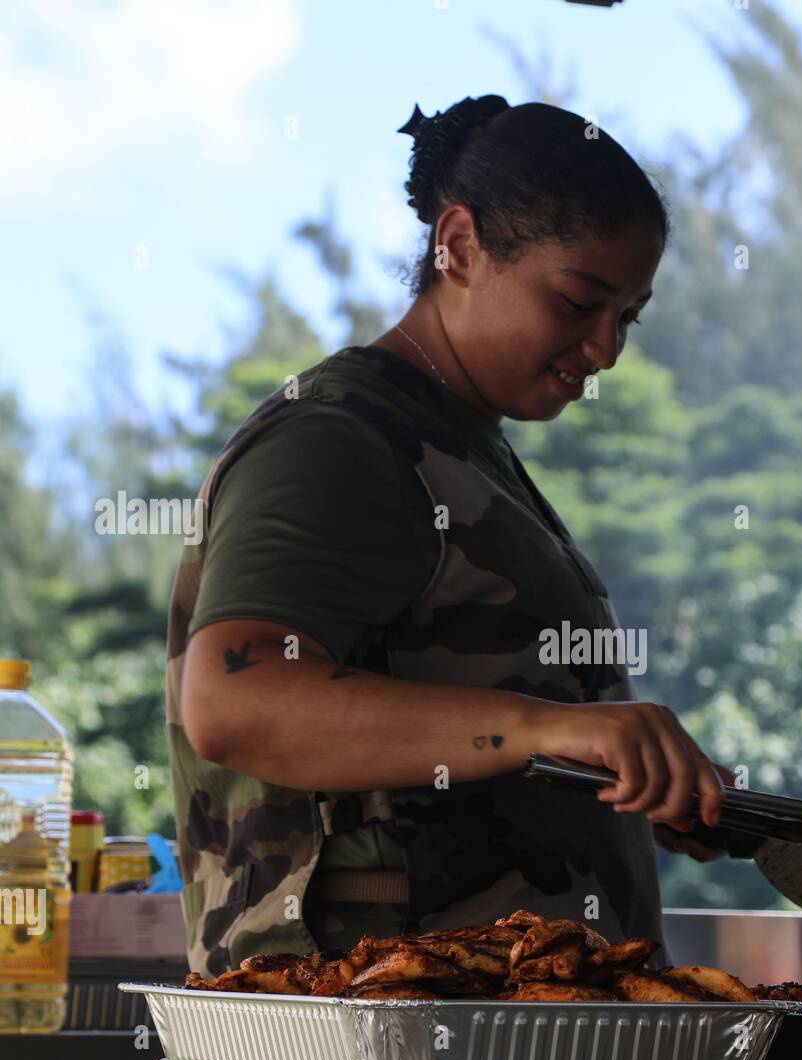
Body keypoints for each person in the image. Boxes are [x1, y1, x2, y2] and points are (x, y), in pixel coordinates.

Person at [166, 94, 733, 979]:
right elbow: (235, 701)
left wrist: (618, 775)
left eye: (626, 317)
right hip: (366, 1036)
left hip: (483, 1034)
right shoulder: (338, 441)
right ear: (460, 245)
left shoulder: (463, 447)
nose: (605, 350)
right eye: (578, 303)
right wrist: (549, 730)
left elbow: (468, 733)